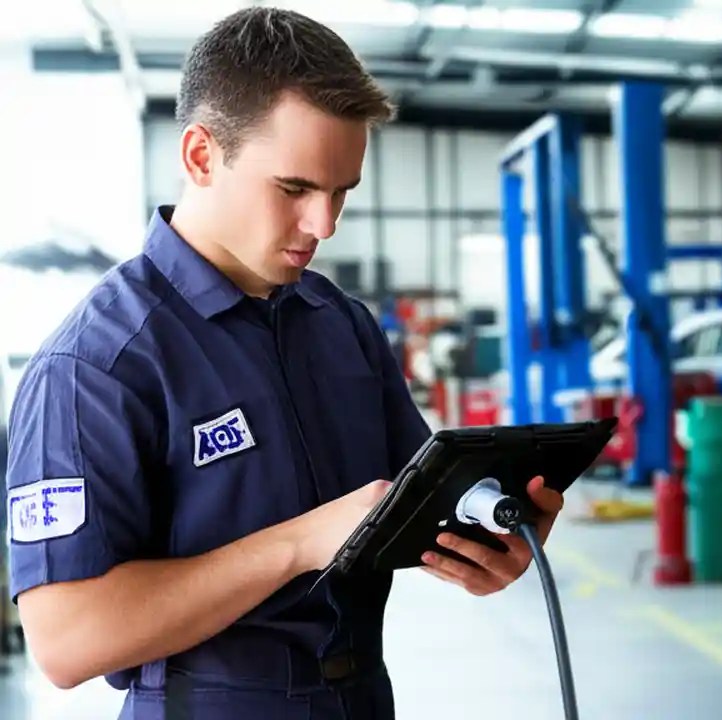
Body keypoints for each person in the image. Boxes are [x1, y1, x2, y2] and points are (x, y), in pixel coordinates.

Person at [3, 7, 564, 719]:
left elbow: (416, 506)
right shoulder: (97, 365)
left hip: (360, 698)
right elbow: (67, 640)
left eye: (342, 193)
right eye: (294, 189)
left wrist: (489, 539)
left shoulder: (340, 326)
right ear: (202, 155)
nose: (324, 226)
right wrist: (297, 544)